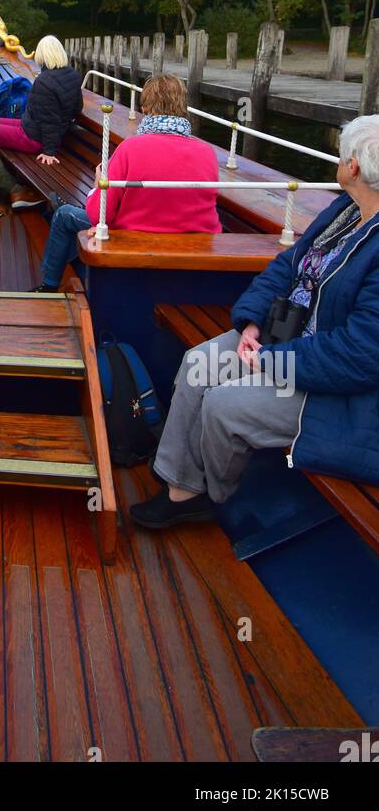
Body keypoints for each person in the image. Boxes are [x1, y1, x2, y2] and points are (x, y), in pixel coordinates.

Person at [131, 114, 379, 531]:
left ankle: (214, 495)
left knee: (224, 405)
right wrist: (251, 323)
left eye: (341, 156)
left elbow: (360, 355)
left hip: (336, 387)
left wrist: (272, 359)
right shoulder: (344, 210)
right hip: (280, 340)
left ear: (352, 167)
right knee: (198, 365)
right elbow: (286, 267)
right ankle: (181, 483)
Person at [34, 75, 221, 292]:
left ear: (145, 108)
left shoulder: (131, 148)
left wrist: (97, 185)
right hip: (196, 245)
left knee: (65, 215)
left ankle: (48, 286)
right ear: (183, 107)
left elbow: (97, 215)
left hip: (137, 240)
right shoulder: (206, 152)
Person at [0, 35, 83, 167]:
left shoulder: (44, 82)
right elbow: (77, 107)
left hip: (34, 138)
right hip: (32, 126)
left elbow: (49, 120)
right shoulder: (73, 74)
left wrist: (49, 152)